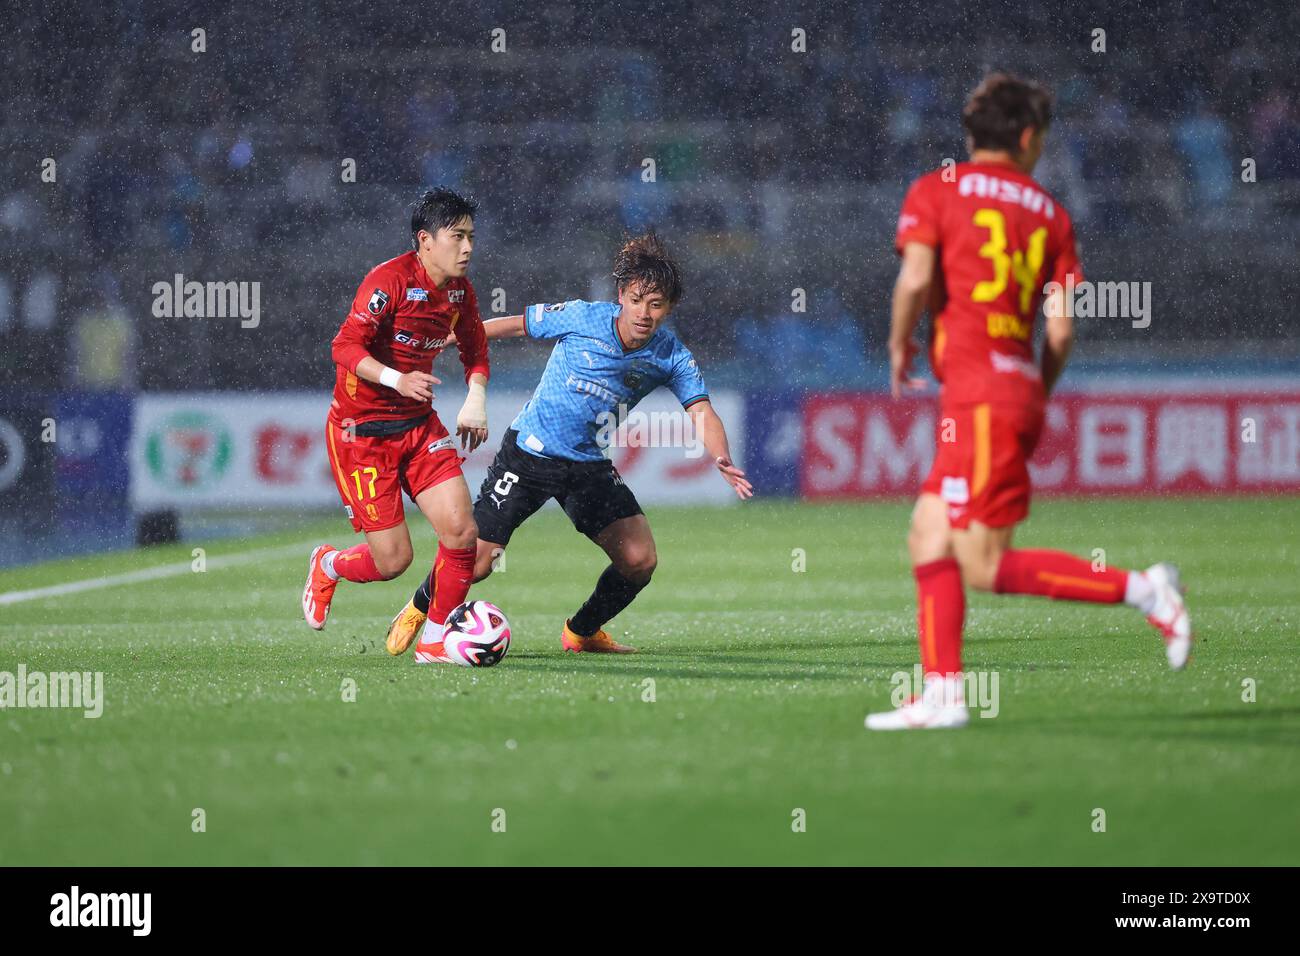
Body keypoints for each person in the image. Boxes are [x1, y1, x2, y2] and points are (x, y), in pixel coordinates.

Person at [866, 74, 1192, 731]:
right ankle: (945, 695)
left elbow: (917, 278)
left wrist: (900, 344)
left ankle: (1146, 589)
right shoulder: (1049, 212)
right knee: (930, 535)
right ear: (1026, 137)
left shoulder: (937, 189)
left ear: (971, 135)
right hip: (1002, 391)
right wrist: (1033, 389)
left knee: (980, 564)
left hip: (977, 397)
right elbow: (1064, 327)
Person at [384, 232, 752, 660]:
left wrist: (720, 455)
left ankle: (582, 632)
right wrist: (457, 338)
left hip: (587, 467)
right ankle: (419, 606)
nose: (644, 314)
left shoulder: (671, 355)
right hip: (528, 456)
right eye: (636, 301)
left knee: (639, 559)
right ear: (621, 297)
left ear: (669, 308)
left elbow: (702, 411)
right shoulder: (582, 316)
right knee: (478, 562)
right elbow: (517, 324)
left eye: (656, 305)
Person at [302, 187, 490, 637]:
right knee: (393, 561)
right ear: (425, 240)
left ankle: (436, 638)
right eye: (456, 236)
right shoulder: (388, 282)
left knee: (463, 534)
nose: (467, 248)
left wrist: (475, 398)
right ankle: (328, 564)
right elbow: (343, 347)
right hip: (360, 433)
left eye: (471, 236)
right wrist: (396, 379)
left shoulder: (461, 293)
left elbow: (476, 350)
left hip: (419, 426)